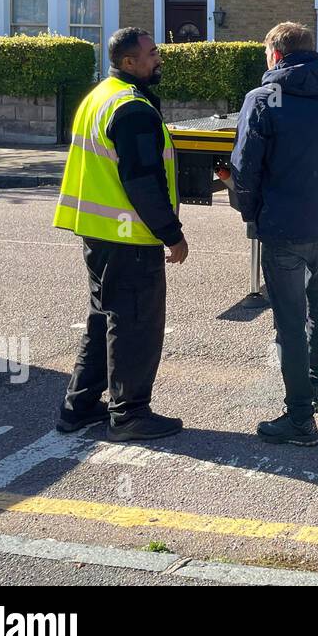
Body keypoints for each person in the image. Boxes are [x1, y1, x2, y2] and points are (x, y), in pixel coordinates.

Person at [230, 22, 318, 446]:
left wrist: (252, 214)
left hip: (284, 227)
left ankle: (300, 419)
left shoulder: (264, 99)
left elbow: (245, 168)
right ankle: (315, 387)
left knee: (289, 321)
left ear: (276, 54)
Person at [53, 28, 188, 443]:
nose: (158, 58)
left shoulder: (100, 95)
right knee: (135, 324)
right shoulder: (132, 109)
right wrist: (172, 235)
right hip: (129, 237)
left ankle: (78, 406)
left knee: (104, 316)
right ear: (129, 62)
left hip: (99, 232)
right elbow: (143, 180)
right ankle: (129, 414)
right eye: (151, 54)